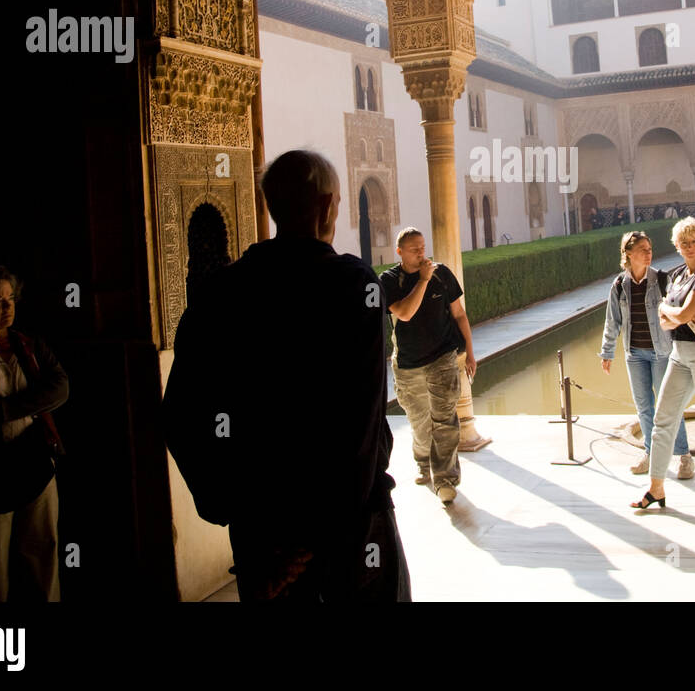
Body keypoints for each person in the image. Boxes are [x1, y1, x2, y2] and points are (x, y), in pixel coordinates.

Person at [164, 149, 410, 601]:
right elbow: (360, 424)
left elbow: (182, 414)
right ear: (327, 205)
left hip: (264, 535)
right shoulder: (353, 287)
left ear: (269, 206)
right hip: (350, 537)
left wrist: (238, 508)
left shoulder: (223, 291)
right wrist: (318, 535)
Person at [0, 266, 68, 601]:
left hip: (34, 459)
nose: (7, 307)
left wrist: (5, 409)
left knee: (43, 551)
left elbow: (59, 388)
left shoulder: (29, 345)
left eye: (10, 298)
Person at [630, 218, 695, 512]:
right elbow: (665, 316)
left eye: (694, 242)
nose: (689, 247)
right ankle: (656, 489)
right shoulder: (677, 275)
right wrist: (674, 311)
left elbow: (684, 312)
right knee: (663, 420)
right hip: (679, 352)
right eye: (683, 243)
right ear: (677, 246)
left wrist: (675, 312)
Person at [380, 228, 476, 506]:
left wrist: (470, 352)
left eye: (423, 248)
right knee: (420, 423)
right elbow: (405, 313)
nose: (422, 253)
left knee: (445, 419)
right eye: (414, 249)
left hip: (442, 358)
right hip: (408, 364)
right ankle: (423, 461)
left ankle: (445, 479)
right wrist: (422, 281)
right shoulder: (388, 280)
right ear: (400, 252)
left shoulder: (442, 274)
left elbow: (459, 314)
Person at [598, 231, 693, 479]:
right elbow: (612, 321)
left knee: (670, 406)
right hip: (635, 354)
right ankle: (651, 454)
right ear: (629, 253)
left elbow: (678, 310)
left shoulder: (662, 280)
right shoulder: (619, 285)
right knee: (644, 407)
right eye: (643, 249)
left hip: (661, 352)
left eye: (650, 249)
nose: (649, 253)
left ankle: (684, 456)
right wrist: (607, 352)